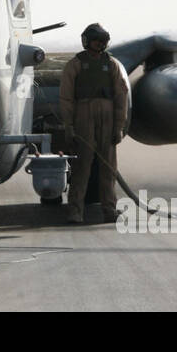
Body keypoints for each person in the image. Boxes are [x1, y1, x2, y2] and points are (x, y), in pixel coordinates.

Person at [58, 23, 129, 224]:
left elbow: (121, 96)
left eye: (102, 41)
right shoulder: (76, 64)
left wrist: (118, 127)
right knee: (82, 166)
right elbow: (66, 97)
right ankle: (75, 210)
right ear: (87, 41)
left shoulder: (112, 64)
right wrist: (69, 126)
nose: (99, 45)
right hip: (83, 115)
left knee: (109, 167)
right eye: (96, 41)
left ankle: (109, 209)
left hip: (107, 116)